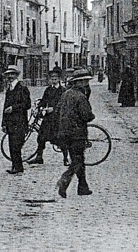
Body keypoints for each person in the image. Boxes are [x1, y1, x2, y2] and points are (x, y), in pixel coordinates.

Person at [56, 67, 95, 198]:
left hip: (64, 132)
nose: (86, 83)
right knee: (77, 160)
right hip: (77, 133)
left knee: (78, 159)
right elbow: (86, 116)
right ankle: (64, 180)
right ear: (80, 82)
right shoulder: (81, 97)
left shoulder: (65, 93)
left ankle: (83, 187)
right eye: (85, 81)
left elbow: (57, 110)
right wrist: (91, 116)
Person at [28, 69, 65, 165]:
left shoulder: (63, 90)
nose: (53, 80)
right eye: (52, 79)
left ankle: (66, 159)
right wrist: (39, 106)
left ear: (59, 79)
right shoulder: (48, 89)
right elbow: (44, 100)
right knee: (41, 137)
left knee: (60, 139)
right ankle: (39, 157)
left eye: (55, 78)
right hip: (48, 118)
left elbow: (64, 104)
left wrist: (54, 109)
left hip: (59, 118)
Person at [2, 65, 31, 174]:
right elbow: (5, 107)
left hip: (20, 121)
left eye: (12, 74)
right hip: (10, 122)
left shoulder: (22, 88)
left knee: (16, 145)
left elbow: (27, 104)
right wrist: (3, 123)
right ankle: (15, 166)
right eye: (8, 74)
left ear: (16, 75)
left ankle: (18, 167)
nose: (10, 76)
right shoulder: (9, 89)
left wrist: (14, 108)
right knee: (11, 145)